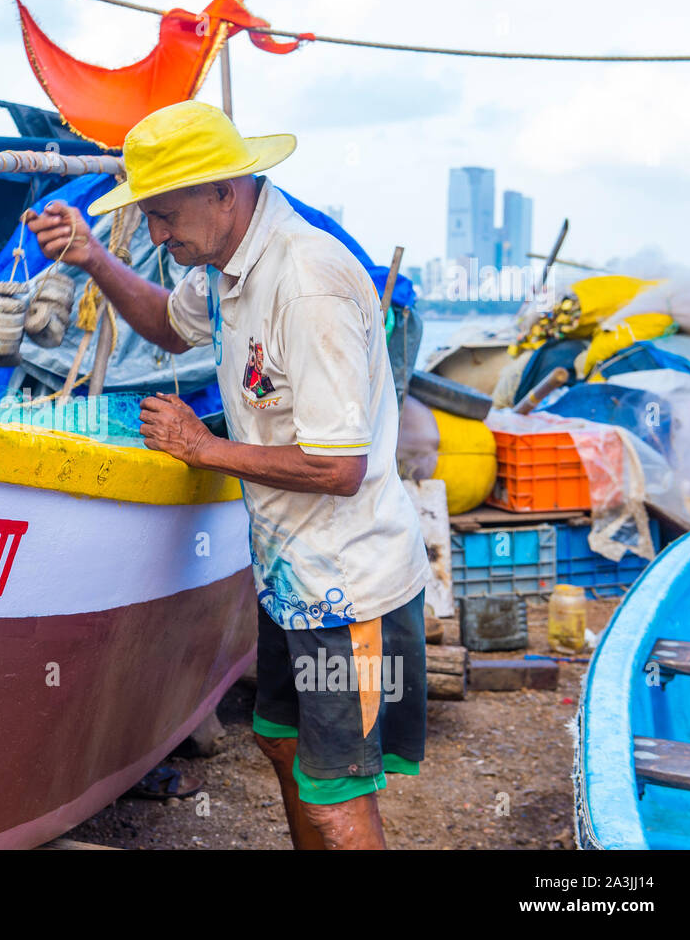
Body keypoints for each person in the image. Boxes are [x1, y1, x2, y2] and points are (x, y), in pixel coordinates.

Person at [25, 101, 431, 850]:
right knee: (283, 744)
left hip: (352, 593)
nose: (155, 233)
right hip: (292, 580)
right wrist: (90, 257)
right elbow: (164, 324)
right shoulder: (222, 262)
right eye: (146, 216)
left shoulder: (306, 281)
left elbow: (340, 467)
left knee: (340, 796)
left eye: (165, 215)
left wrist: (200, 447)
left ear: (225, 191)